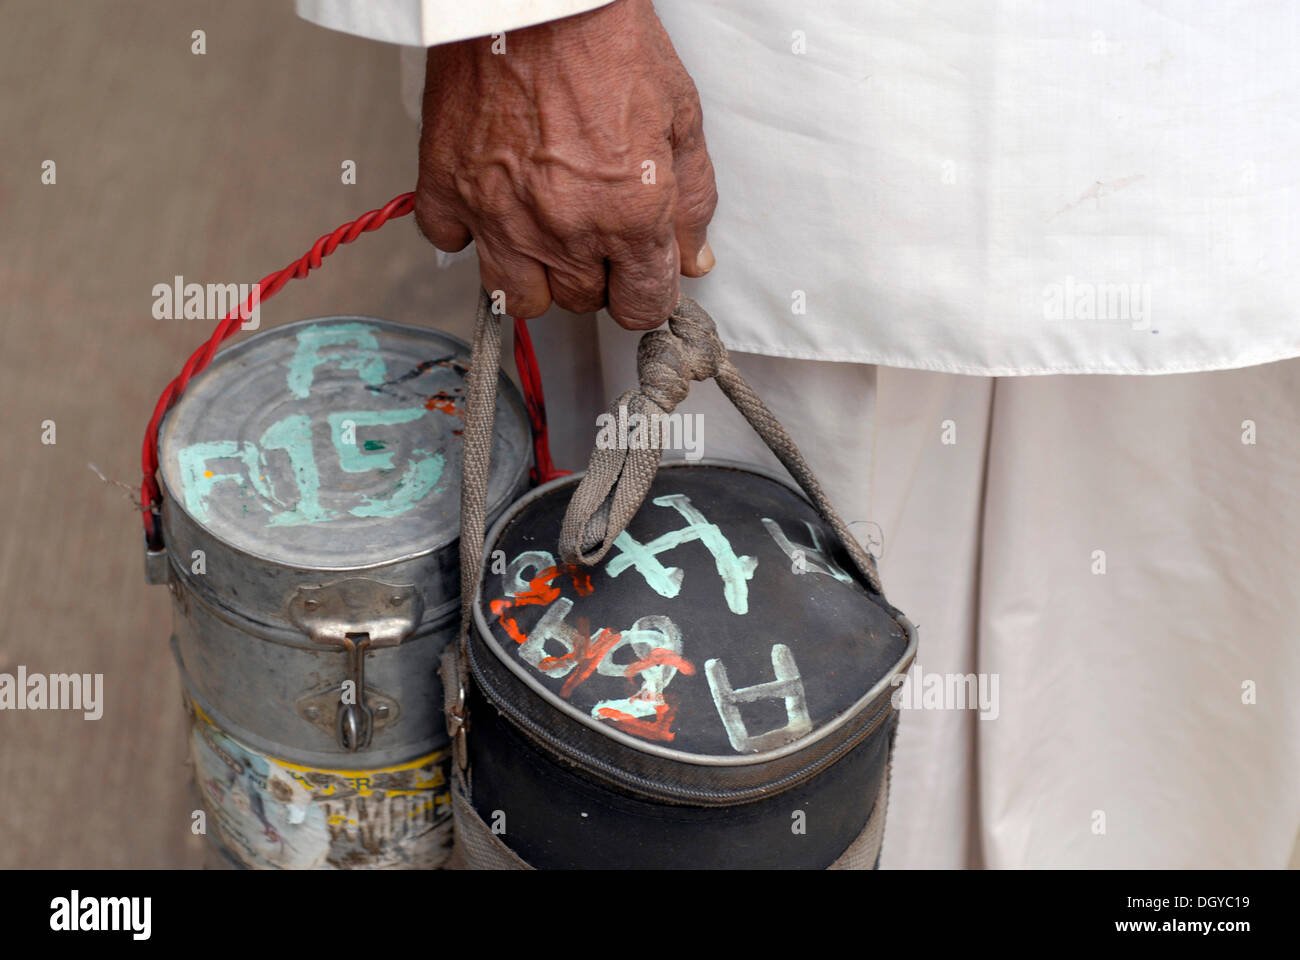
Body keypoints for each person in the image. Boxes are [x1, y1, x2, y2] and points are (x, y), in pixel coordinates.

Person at [296, 0, 1300, 868]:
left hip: (1225, 157)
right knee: (696, 782)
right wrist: (530, 25)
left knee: (1170, 756)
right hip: (776, 132)